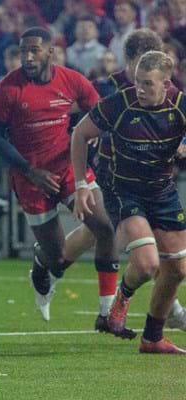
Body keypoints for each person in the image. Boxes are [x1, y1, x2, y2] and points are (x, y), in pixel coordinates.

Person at [0, 27, 133, 338]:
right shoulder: (8, 88)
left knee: (105, 227)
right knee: (58, 258)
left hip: (68, 167)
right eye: (23, 51)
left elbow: (99, 112)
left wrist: (93, 136)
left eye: (34, 50)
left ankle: (107, 314)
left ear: (50, 52)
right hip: (30, 178)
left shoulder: (72, 80)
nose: (27, 57)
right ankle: (41, 261)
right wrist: (29, 170)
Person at [72, 51, 186, 354]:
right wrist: (81, 185)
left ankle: (152, 338)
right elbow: (80, 134)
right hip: (123, 191)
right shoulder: (119, 103)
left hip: (163, 192)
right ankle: (122, 298)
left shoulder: (180, 105)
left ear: (167, 84)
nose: (140, 89)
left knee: (177, 270)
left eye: (148, 84)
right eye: (138, 82)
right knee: (148, 264)